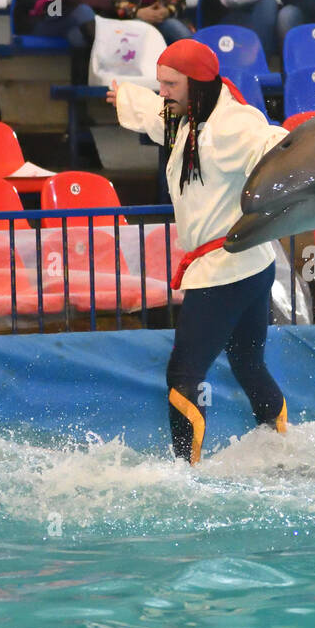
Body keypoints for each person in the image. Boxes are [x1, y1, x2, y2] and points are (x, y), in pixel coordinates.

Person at [106, 39, 288, 465]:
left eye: (171, 83)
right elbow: (157, 117)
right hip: (252, 264)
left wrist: (303, 153)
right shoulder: (190, 117)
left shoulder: (229, 126)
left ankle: (186, 475)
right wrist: (128, 97)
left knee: (183, 375)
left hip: (224, 271)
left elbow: (269, 144)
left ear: (198, 85)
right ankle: (280, 451)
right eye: (160, 83)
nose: (163, 91)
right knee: (248, 365)